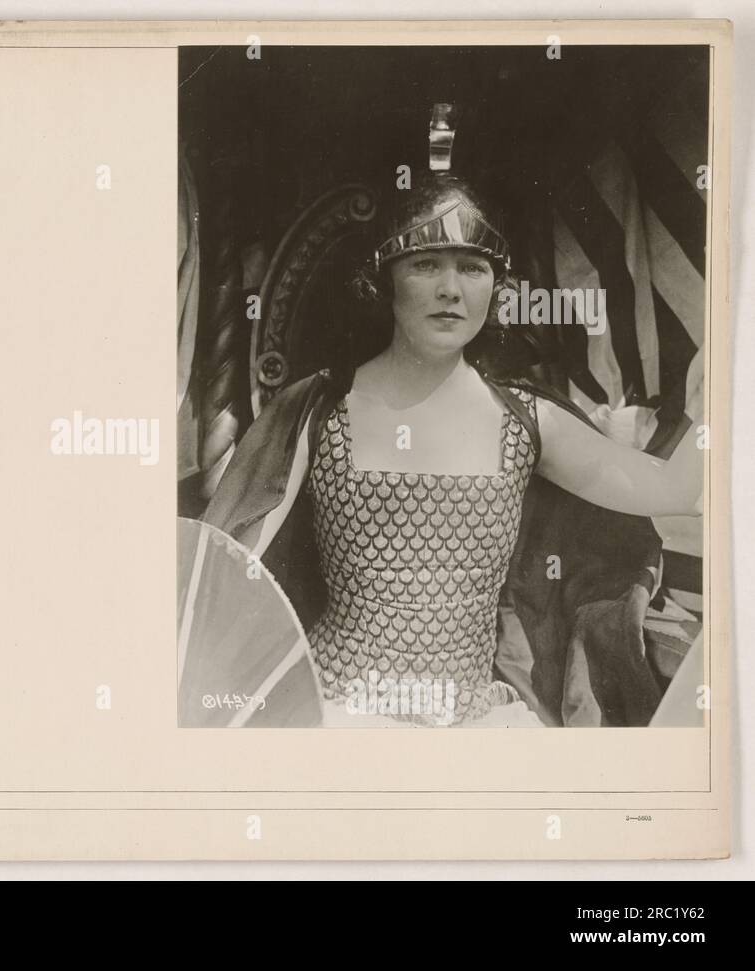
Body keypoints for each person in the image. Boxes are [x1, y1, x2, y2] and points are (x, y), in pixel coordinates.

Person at [201, 115, 703, 728]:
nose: (450, 289)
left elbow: (681, 490)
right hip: (339, 716)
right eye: (425, 264)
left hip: (471, 723)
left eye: (472, 267)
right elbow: (225, 577)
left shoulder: (526, 419)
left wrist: (721, 377)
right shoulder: (319, 409)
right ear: (385, 280)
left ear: (495, 284)